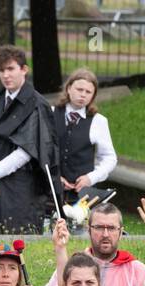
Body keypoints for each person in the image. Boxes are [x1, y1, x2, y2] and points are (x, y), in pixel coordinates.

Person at [0, 45, 58, 234]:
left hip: (20, 188)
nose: (6, 75)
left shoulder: (36, 104)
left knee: (17, 241)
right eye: (1, 70)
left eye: (11, 69)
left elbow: (28, 150)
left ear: (24, 69)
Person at [39, 203, 145, 286]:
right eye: (99, 227)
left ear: (120, 232)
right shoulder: (73, 267)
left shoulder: (139, 272)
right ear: (89, 230)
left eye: (111, 228)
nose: (105, 234)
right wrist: (60, 249)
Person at [55, 69, 118, 206]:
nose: (83, 95)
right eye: (79, 89)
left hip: (82, 196)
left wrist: (90, 178)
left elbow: (109, 158)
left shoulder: (98, 121)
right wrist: (55, 177)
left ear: (93, 96)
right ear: (69, 88)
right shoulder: (50, 113)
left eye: (88, 92)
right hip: (49, 191)